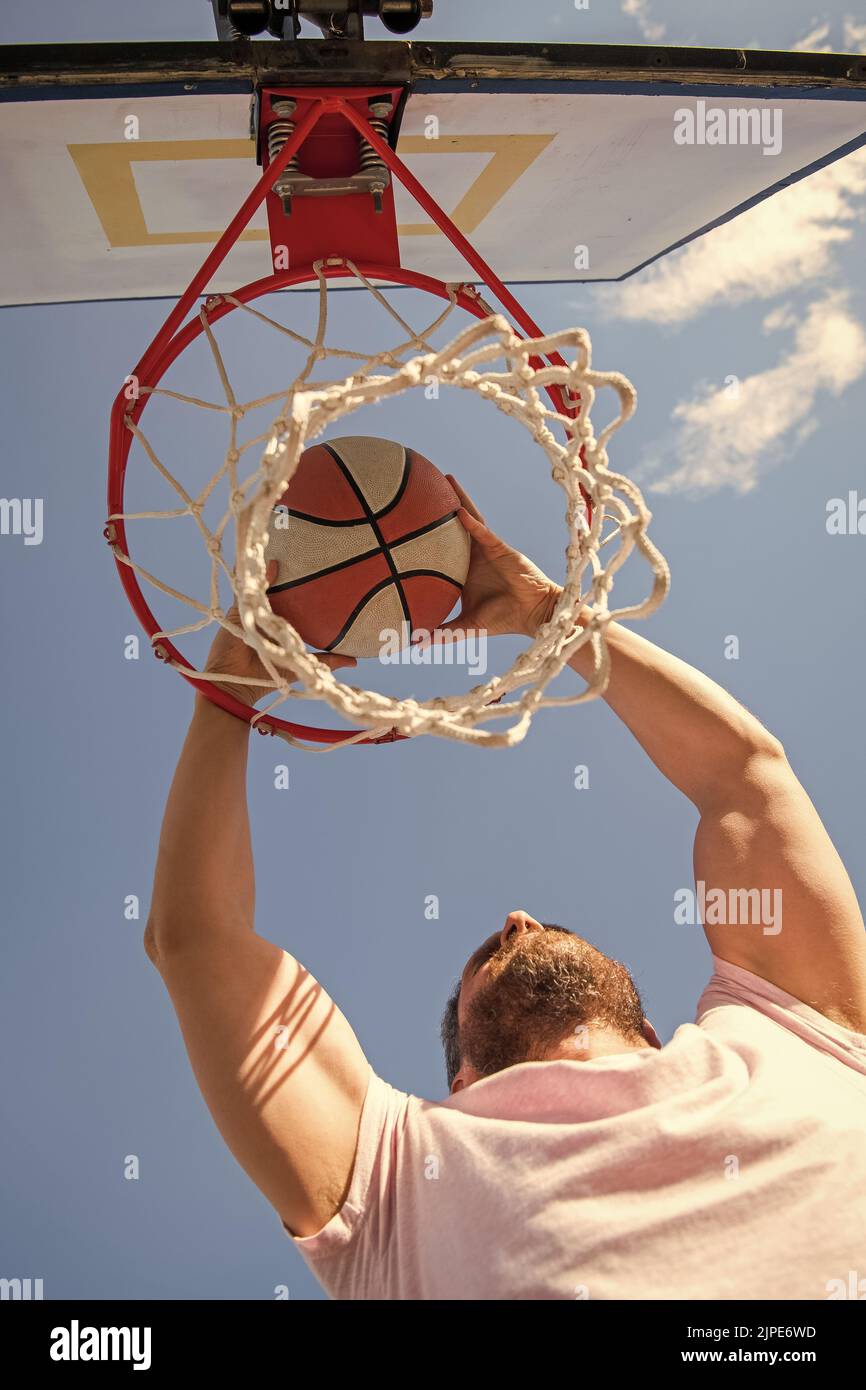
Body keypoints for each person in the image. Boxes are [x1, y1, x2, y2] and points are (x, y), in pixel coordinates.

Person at [144, 477, 866, 1301]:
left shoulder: (794, 1031)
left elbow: (746, 776)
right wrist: (234, 678)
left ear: (657, 1030)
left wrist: (552, 618)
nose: (516, 918)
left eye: (515, 927)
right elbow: (194, 939)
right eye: (486, 952)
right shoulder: (388, 1180)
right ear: (461, 1081)